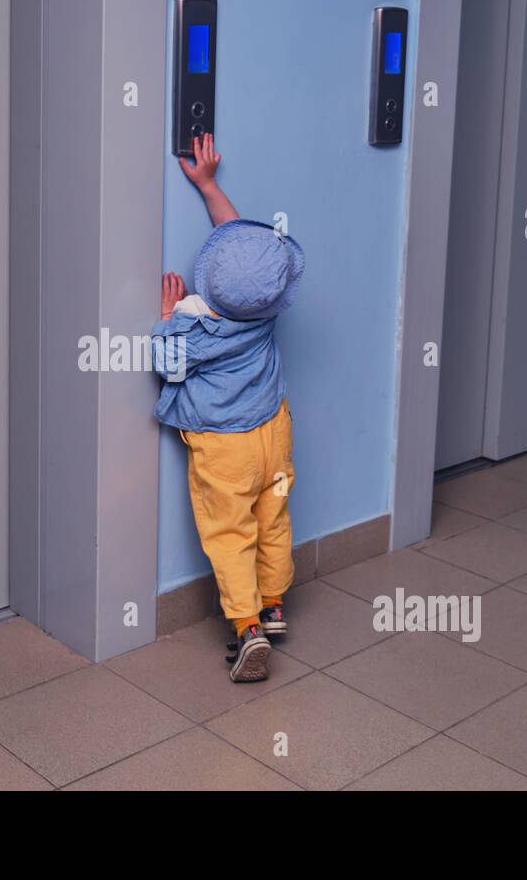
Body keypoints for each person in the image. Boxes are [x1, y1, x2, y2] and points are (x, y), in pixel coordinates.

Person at [151, 134, 305, 682]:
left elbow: (167, 364)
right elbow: (242, 248)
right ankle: (274, 604)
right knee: (273, 516)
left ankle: (247, 628)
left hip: (226, 451)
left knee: (230, 534)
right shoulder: (262, 309)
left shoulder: (196, 322)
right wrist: (211, 185)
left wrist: (169, 316)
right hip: (275, 438)